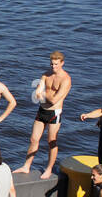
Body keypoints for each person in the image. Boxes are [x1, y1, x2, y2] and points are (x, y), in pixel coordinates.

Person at [15, 51, 72, 179]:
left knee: (51, 141)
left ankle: (49, 168)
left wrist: (43, 94)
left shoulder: (66, 79)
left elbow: (54, 100)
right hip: (42, 110)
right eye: (52, 64)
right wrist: (42, 94)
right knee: (33, 139)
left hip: (54, 113)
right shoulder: (46, 75)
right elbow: (37, 94)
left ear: (62, 63)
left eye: (56, 64)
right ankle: (26, 165)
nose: (53, 67)